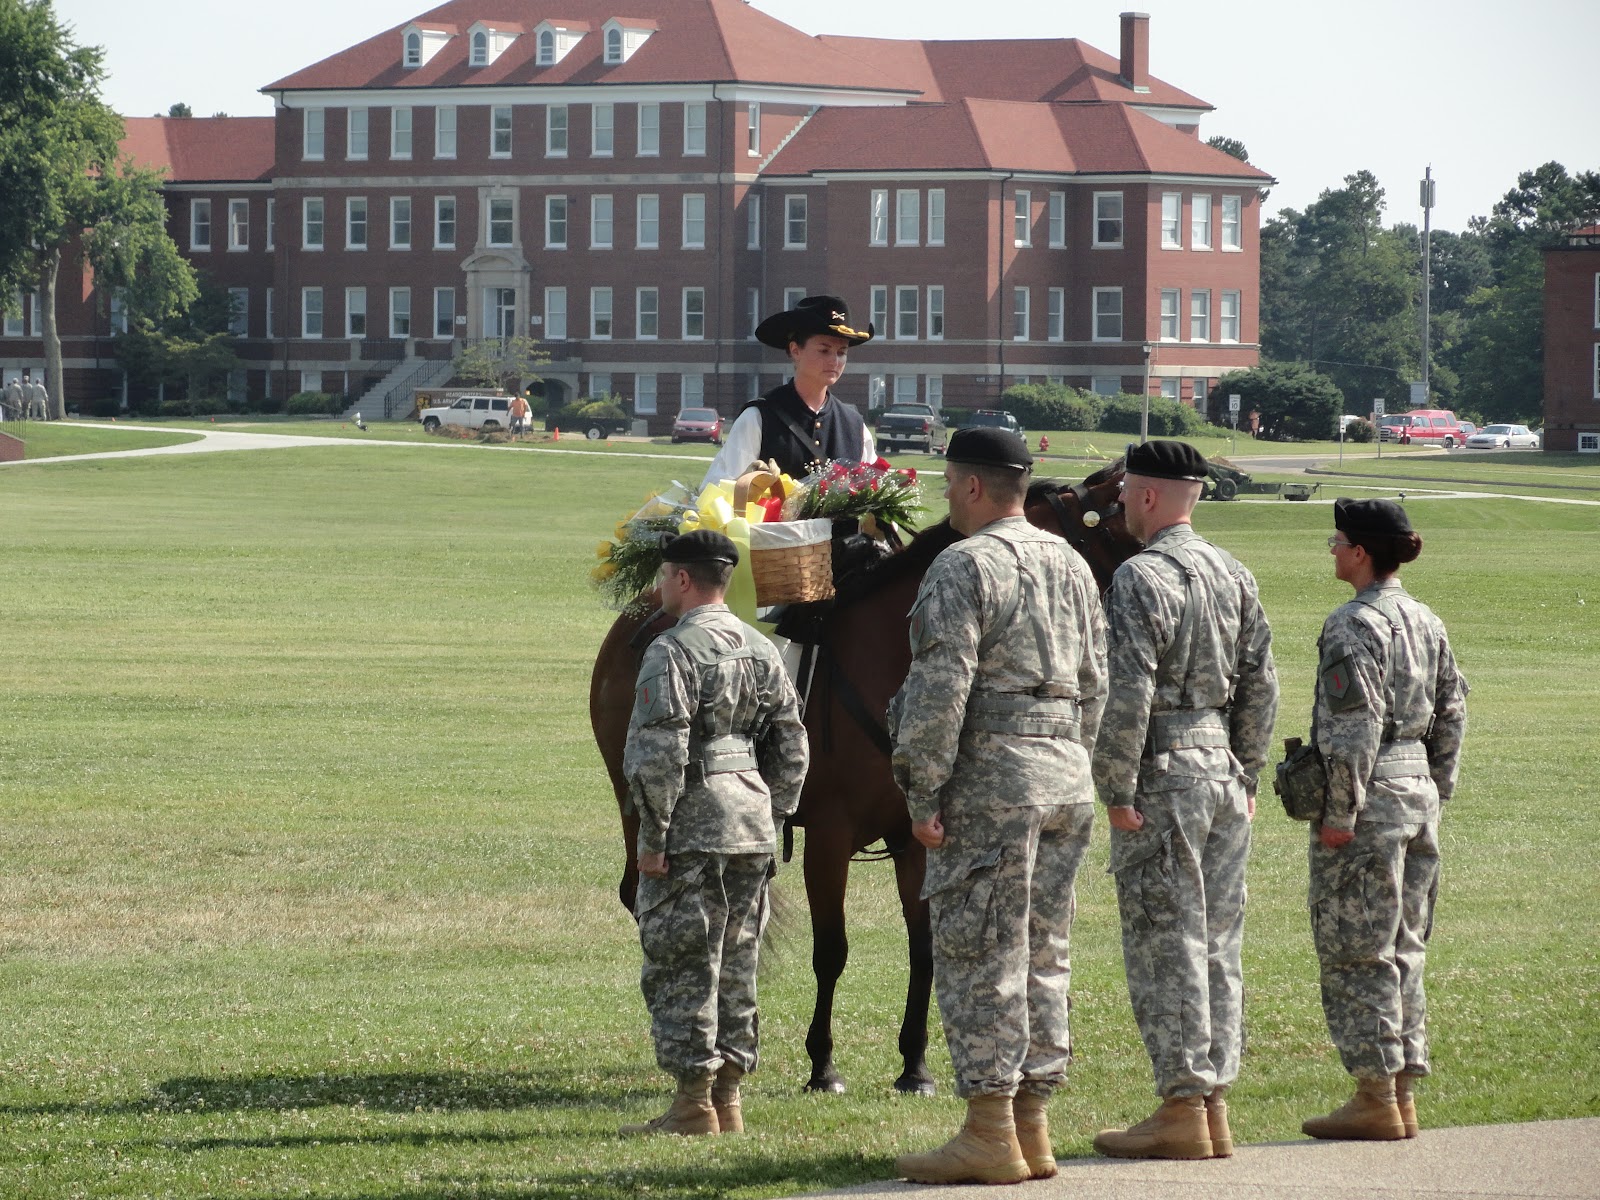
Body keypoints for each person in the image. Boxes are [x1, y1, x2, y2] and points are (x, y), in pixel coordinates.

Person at [889, 427, 1108, 1185]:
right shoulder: (1070, 562)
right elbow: (1097, 679)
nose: (947, 495)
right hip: (1065, 773)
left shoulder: (963, 564)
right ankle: (1031, 1127)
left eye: (951, 481)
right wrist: (1072, 758)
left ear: (975, 486)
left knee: (982, 951)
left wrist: (922, 789)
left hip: (994, 779)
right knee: (1044, 952)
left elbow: (939, 688)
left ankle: (989, 1130)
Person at [1091, 440, 1278, 1161]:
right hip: (1221, 767)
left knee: (1165, 942)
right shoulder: (1234, 572)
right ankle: (1213, 1104)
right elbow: (1261, 683)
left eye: (1125, 494)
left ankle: (1181, 1105)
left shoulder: (1141, 576)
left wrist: (1116, 786)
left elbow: (1126, 691)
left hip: (1164, 771)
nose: (1120, 506)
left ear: (1147, 496)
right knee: (1218, 943)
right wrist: (1247, 772)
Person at [620, 529, 809, 1137]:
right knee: (738, 961)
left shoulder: (671, 650)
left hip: (693, 826)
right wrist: (773, 815)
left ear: (682, 579)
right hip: (751, 821)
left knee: (684, 963)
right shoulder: (761, 648)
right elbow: (792, 742)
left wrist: (653, 837)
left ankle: (693, 1104)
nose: (660, 588)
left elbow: (659, 752)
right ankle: (728, 1099)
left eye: (663, 576)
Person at [1300, 499, 1467, 1141]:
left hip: (1370, 799)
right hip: (1416, 791)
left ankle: (1374, 1094)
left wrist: (1340, 812)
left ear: (1361, 552)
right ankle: (1402, 1093)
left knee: (1357, 947)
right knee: (1405, 945)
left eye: (1338, 541)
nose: (1333, 551)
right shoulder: (1426, 619)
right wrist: (1436, 787)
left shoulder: (1353, 624)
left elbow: (1354, 726)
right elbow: (1452, 711)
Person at [700, 295, 876, 486]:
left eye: (841, 352)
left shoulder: (855, 427)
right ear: (795, 350)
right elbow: (719, 488)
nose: (834, 360)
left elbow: (873, 492)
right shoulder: (758, 418)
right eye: (824, 350)